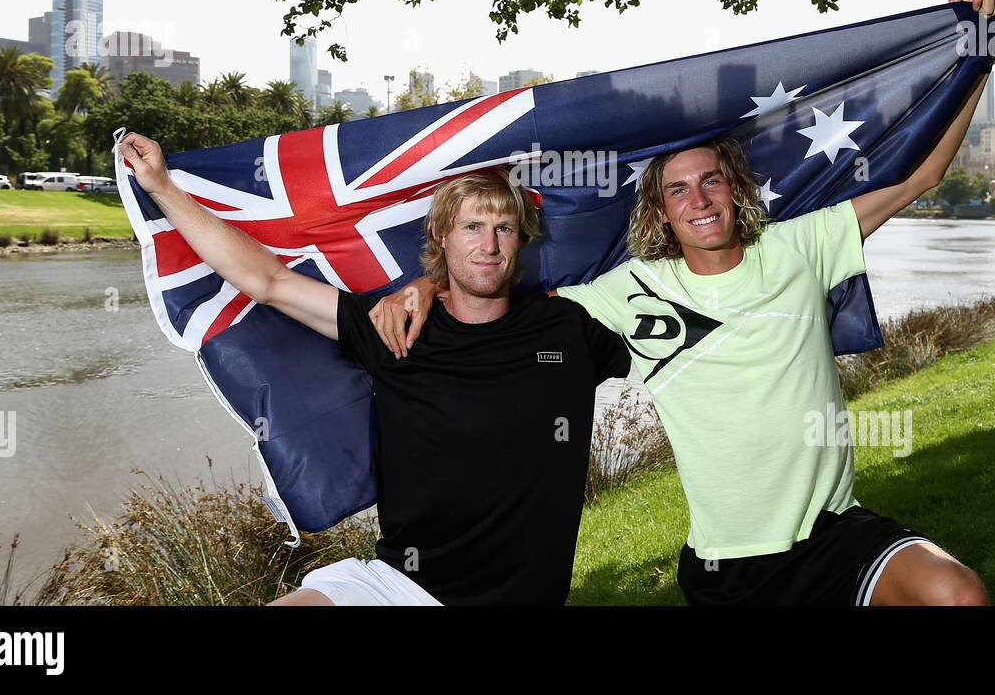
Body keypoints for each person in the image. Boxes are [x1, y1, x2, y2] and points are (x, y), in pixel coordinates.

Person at [370, 0, 995, 605]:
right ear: (661, 210)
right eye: (678, 189)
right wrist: (429, 281)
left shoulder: (803, 245)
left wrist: (978, 54)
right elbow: (497, 293)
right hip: (724, 565)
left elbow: (922, 175)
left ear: (735, 187)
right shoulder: (627, 289)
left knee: (957, 594)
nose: (698, 200)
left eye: (711, 181)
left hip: (832, 532)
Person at [113, 144, 630, 606]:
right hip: (401, 586)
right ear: (441, 236)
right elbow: (267, 281)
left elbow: (666, 292)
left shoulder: (569, 327)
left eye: (504, 228)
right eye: (472, 227)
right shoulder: (393, 327)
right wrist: (162, 187)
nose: (488, 245)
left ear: (521, 239)